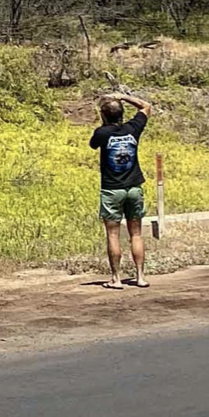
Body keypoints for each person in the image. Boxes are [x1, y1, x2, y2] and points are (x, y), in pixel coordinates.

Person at [89, 94, 153, 288]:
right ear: (122, 113)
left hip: (112, 189)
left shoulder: (102, 133)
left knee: (113, 234)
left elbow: (93, 144)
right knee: (136, 234)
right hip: (134, 187)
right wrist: (123, 96)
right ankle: (140, 276)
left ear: (104, 115)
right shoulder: (133, 128)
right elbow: (146, 106)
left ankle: (116, 278)